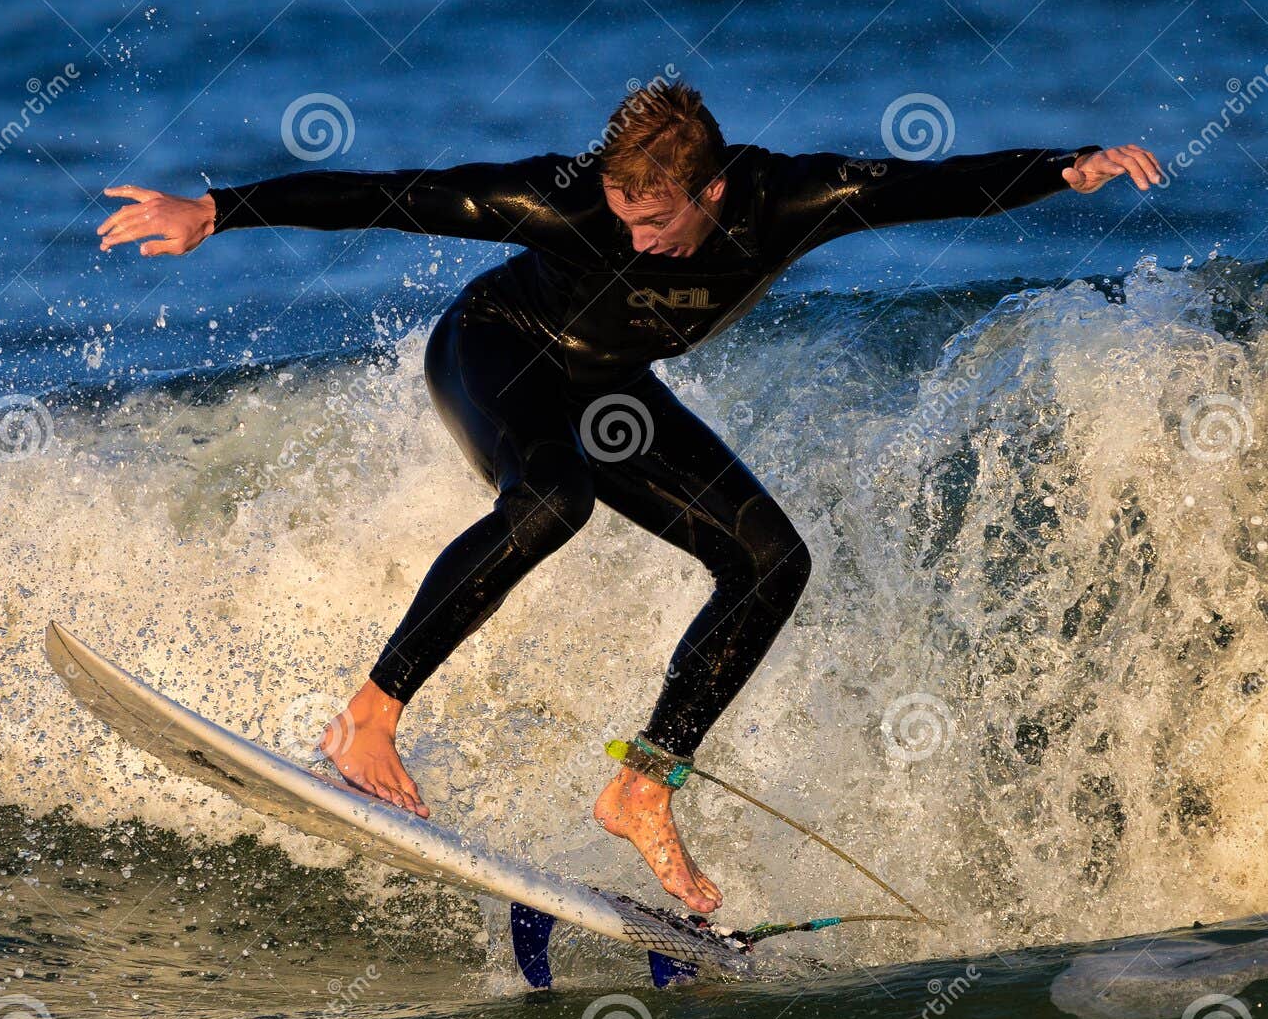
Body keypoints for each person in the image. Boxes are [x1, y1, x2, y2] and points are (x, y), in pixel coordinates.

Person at [96, 82, 1160, 914]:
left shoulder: (790, 198)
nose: (634, 238)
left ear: (709, 191)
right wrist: (218, 212)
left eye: (653, 221)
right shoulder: (565, 197)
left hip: (606, 389)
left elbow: (926, 185)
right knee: (549, 502)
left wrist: (1064, 166)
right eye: (619, 213)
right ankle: (367, 716)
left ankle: (643, 785)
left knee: (768, 562)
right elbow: (396, 193)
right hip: (496, 351)